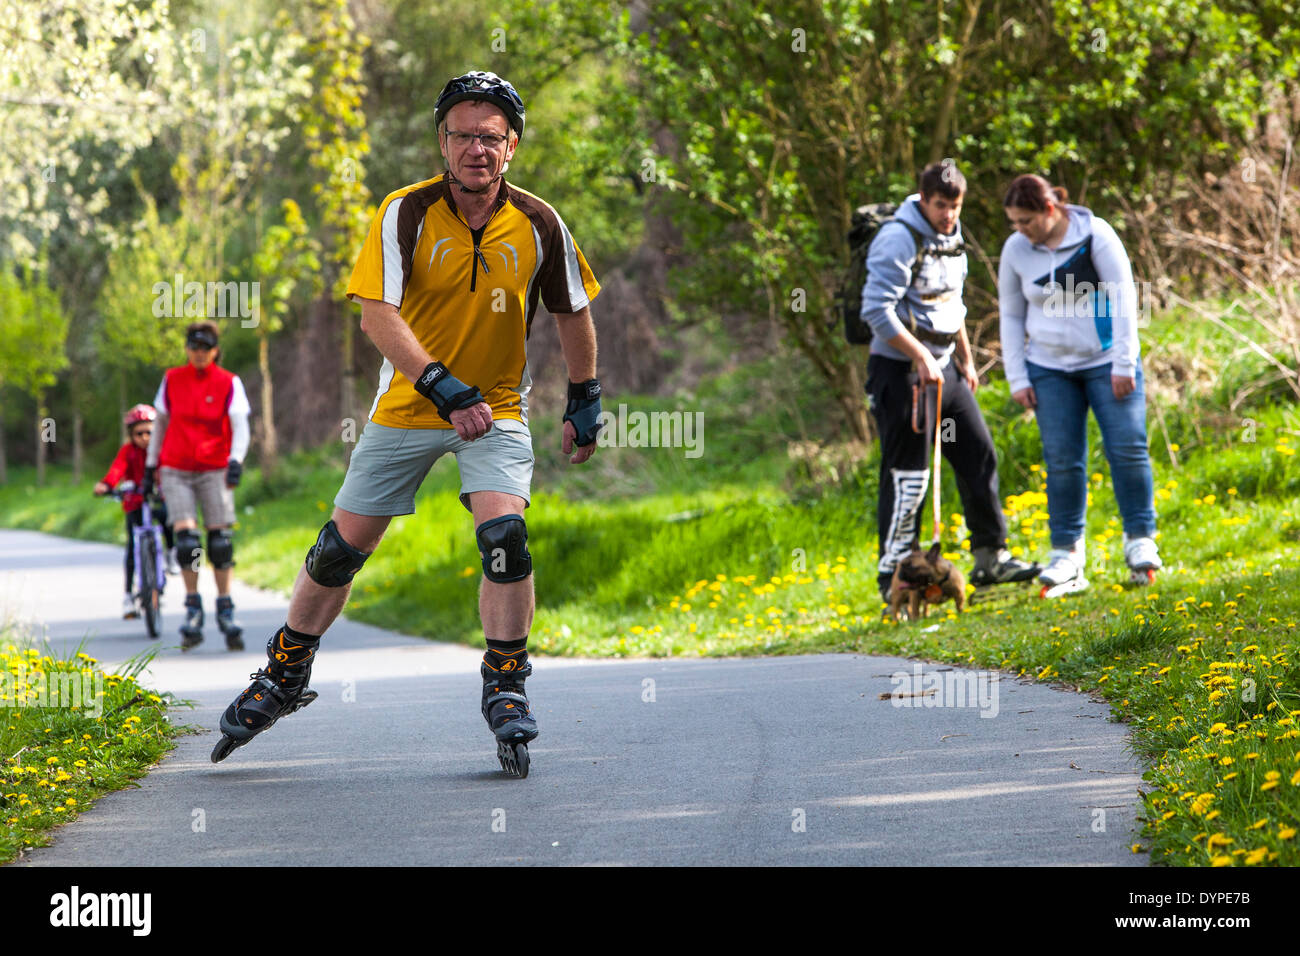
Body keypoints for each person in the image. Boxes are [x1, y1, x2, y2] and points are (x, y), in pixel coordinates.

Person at [214, 70, 604, 776]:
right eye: (462, 136)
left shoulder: (540, 221)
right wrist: (441, 386)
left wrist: (584, 395)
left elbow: (572, 308)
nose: (477, 149)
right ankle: (286, 670)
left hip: (497, 407)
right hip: (408, 405)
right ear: (442, 142)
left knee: (505, 537)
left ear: (512, 146)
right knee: (339, 551)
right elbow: (377, 315)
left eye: (491, 137)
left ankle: (506, 683)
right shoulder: (405, 212)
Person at [861, 160, 1039, 606]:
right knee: (910, 479)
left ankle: (990, 557)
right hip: (902, 372)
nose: (949, 215)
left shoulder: (952, 237)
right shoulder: (898, 238)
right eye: (941, 206)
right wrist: (919, 356)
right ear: (923, 199)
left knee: (977, 453)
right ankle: (895, 579)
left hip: (946, 369)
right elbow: (875, 311)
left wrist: (965, 356)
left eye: (955, 206)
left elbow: (951, 301)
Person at [998, 174, 1160, 594]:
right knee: (1061, 460)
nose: (1020, 229)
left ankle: (1140, 540)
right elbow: (1011, 315)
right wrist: (1017, 375)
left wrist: (1124, 362)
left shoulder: (1095, 235)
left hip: (1107, 362)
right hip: (1048, 368)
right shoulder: (1016, 249)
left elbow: (1125, 298)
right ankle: (1066, 554)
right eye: (1014, 222)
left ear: (1050, 209)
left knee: (1127, 448)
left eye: (1026, 220)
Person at [145, 320, 252, 649]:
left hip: (214, 468)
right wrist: (151, 464)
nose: (200, 353)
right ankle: (193, 607)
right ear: (187, 349)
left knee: (220, 542)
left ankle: (225, 606)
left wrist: (236, 460)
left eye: (206, 348)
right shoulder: (172, 379)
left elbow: (240, 426)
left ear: (216, 351)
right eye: (194, 347)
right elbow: (160, 424)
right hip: (176, 468)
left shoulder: (228, 382)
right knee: (188, 542)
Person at [93, 404, 179, 618]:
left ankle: (172, 554)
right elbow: (117, 469)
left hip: (158, 498)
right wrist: (106, 484)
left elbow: (171, 466)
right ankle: (128, 596)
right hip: (135, 502)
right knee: (132, 548)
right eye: (138, 434)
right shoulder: (128, 451)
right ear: (131, 435)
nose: (144, 438)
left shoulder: (162, 449)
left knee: (168, 517)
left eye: (148, 432)